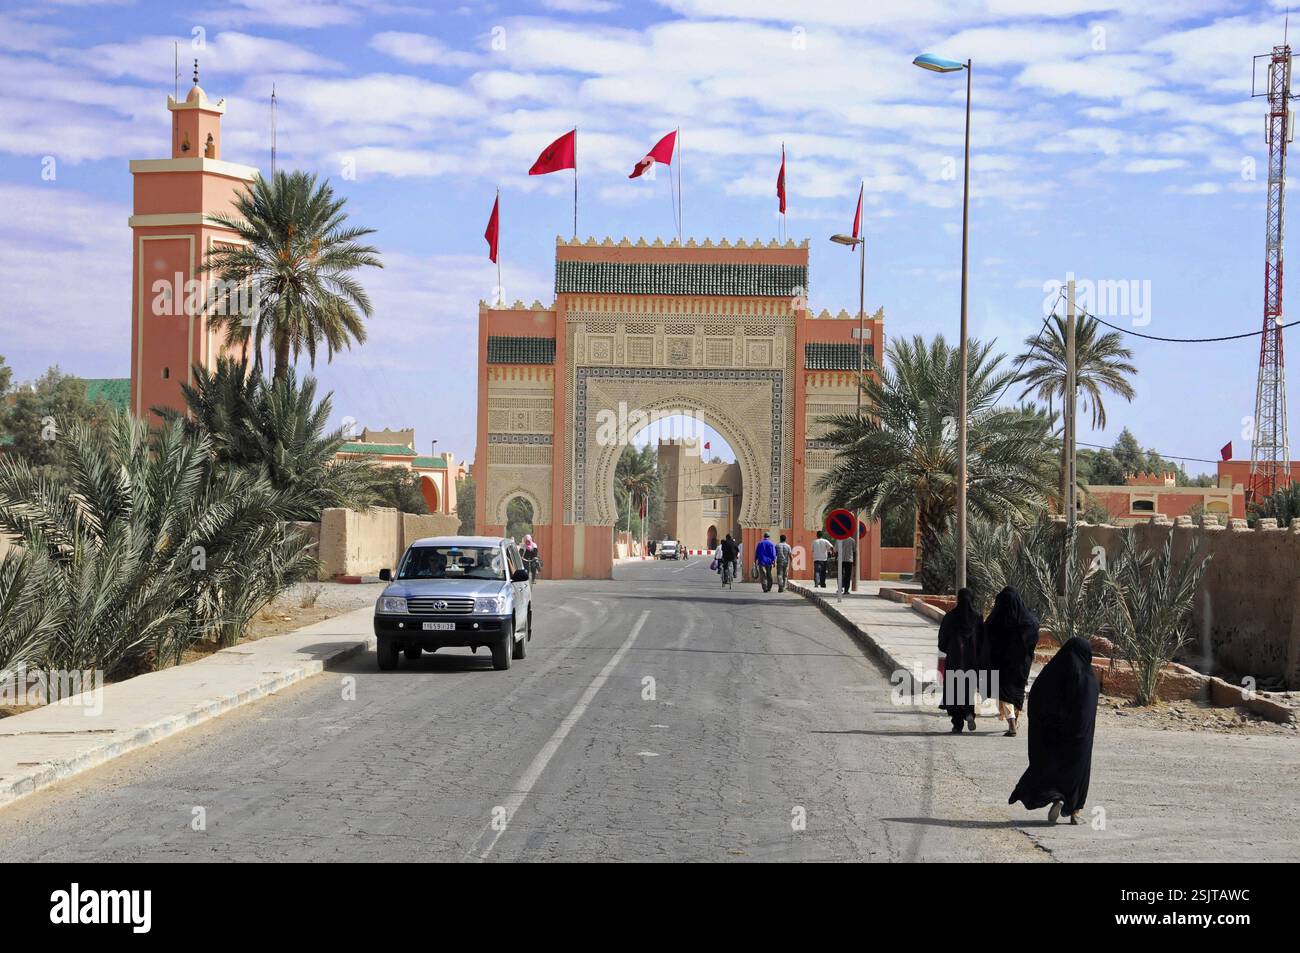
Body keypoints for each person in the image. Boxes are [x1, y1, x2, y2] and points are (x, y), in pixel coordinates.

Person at [1009, 636, 1099, 824]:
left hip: (1054, 734)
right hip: (1080, 738)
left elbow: (1036, 697)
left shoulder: (1054, 671)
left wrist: (1047, 724)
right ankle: (1074, 811)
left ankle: (1056, 796)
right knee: (1078, 773)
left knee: (1051, 766)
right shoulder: (1089, 678)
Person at [984, 586, 1040, 737]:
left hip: (1001, 664)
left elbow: (985, 637)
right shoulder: (1029, 621)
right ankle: (1014, 717)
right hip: (1021, 665)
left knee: (1004, 692)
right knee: (1017, 691)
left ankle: (1011, 721)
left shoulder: (995, 620)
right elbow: (1034, 640)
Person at [938, 587, 984, 734]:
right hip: (971, 662)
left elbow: (942, 639)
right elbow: (983, 640)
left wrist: (947, 649)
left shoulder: (950, 617)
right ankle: (969, 713)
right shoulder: (977, 618)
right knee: (968, 689)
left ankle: (957, 724)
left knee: (953, 690)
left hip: (954, 660)